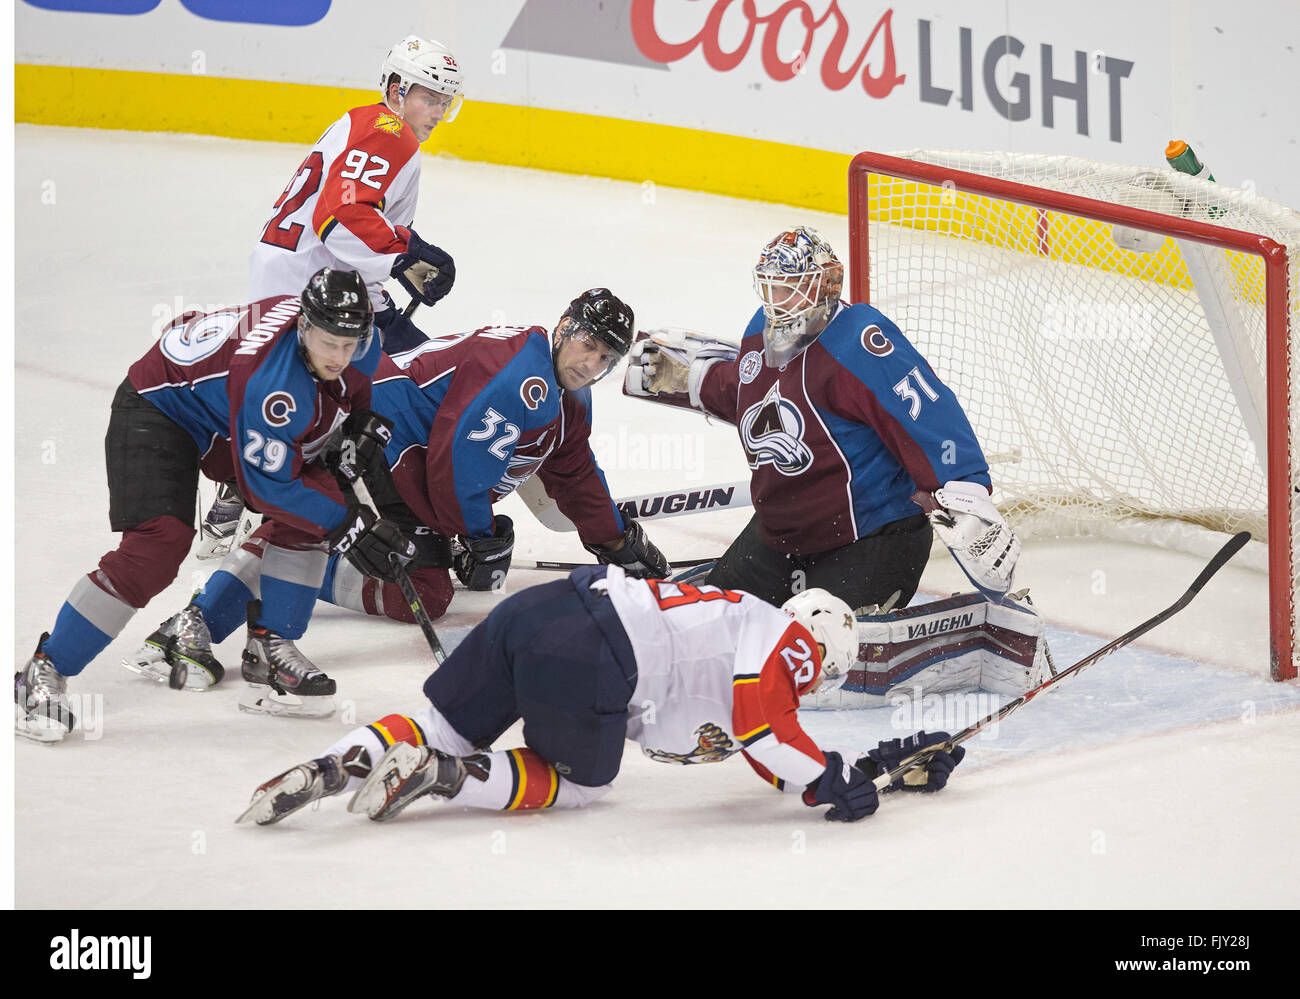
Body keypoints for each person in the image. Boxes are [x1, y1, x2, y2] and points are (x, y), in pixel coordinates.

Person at [127, 289, 669, 684]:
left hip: (412, 468)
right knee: (369, 555)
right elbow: (460, 468)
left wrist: (614, 539)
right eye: (587, 344)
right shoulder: (525, 380)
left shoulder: (564, 392)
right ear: (565, 326)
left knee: (425, 590)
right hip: (381, 441)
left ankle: (294, 541)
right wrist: (475, 534)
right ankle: (204, 610)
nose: (590, 363)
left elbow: (572, 471)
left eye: (604, 358)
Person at [234, 566, 965, 826]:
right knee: (586, 784)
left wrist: (858, 769)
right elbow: (769, 732)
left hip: (540, 608)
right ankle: (441, 779)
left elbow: (773, 759)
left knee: (438, 725)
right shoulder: (783, 636)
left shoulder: (741, 628)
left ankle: (328, 767)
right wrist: (835, 777)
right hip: (594, 651)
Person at [16, 269, 415, 741]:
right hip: (158, 407)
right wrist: (351, 528)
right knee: (159, 547)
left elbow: (357, 380)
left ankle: (271, 648)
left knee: (317, 498)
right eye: (329, 343)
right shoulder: (274, 388)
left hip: (219, 407)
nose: (340, 355)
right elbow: (272, 492)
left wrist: (360, 421)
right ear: (304, 326)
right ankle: (44, 668)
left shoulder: (354, 338)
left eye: (349, 345)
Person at [623, 226, 1020, 613]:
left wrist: (965, 494)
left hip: (871, 539)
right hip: (782, 536)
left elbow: (927, 414)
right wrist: (695, 378)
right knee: (708, 623)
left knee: (823, 652)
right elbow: (755, 396)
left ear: (824, 287)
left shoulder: (860, 341)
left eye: (789, 287)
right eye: (771, 287)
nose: (777, 301)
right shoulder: (760, 330)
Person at [203, 35, 466, 556]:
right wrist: (403, 255)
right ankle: (295, 520)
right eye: (428, 97)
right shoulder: (391, 133)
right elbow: (339, 218)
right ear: (395, 89)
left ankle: (237, 505)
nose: (436, 110)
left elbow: (351, 213)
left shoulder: (370, 123)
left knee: (333, 401)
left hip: (305, 278)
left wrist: (408, 248)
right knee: (394, 395)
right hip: (309, 288)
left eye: (445, 101)